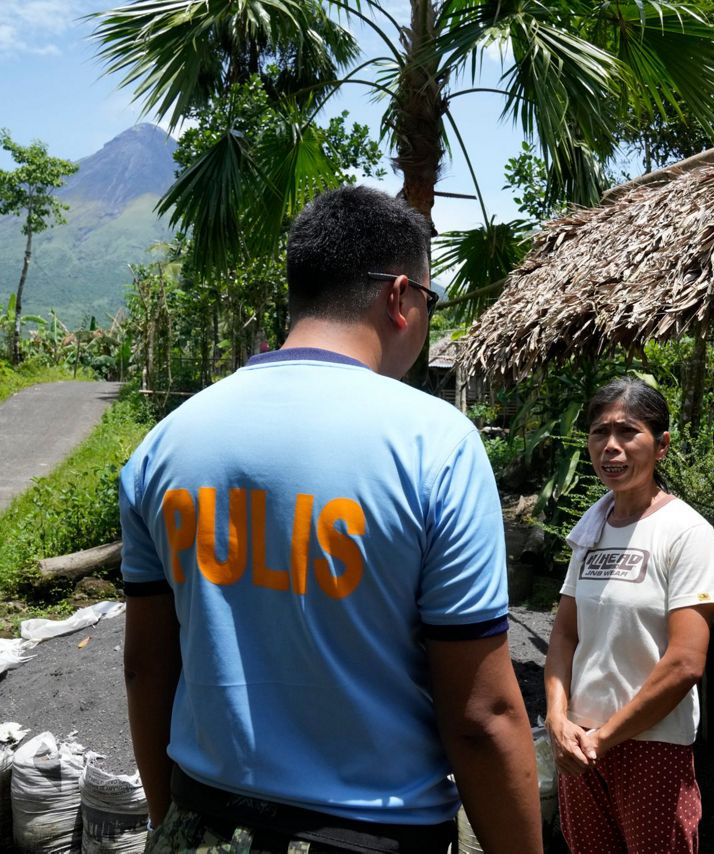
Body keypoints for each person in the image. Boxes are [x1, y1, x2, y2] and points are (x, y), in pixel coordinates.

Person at [118, 185, 541, 854]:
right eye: (430, 303)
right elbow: (481, 715)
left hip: (201, 818)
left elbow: (146, 667)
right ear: (400, 298)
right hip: (376, 833)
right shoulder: (436, 444)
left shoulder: (165, 445)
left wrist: (174, 822)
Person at [544, 377, 714, 854]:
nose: (611, 447)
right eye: (598, 433)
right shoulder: (592, 528)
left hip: (652, 747)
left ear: (661, 445)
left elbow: (686, 662)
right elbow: (564, 635)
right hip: (580, 745)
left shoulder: (685, 533)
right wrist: (557, 716)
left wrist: (605, 737)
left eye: (628, 432)